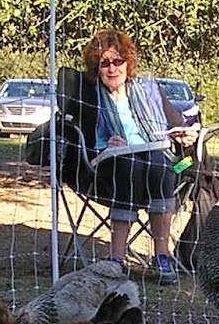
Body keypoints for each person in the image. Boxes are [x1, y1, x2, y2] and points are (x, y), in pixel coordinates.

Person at [78, 28, 198, 285]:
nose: (112, 69)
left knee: (157, 163)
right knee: (129, 163)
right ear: (96, 68)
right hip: (108, 169)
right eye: (104, 64)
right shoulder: (91, 98)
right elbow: (82, 143)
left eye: (117, 61)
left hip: (161, 167)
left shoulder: (149, 91)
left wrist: (186, 136)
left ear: (128, 63)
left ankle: (162, 255)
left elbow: (176, 126)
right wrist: (106, 144)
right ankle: (116, 259)